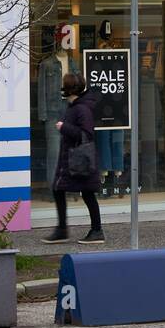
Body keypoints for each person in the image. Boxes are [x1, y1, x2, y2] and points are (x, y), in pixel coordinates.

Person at [42, 72, 105, 245]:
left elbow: (86, 134)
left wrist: (64, 127)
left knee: (87, 193)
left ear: (69, 89)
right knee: (59, 189)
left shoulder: (81, 108)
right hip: (72, 159)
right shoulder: (74, 105)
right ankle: (64, 229)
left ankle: (96, 230)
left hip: (79, 160)